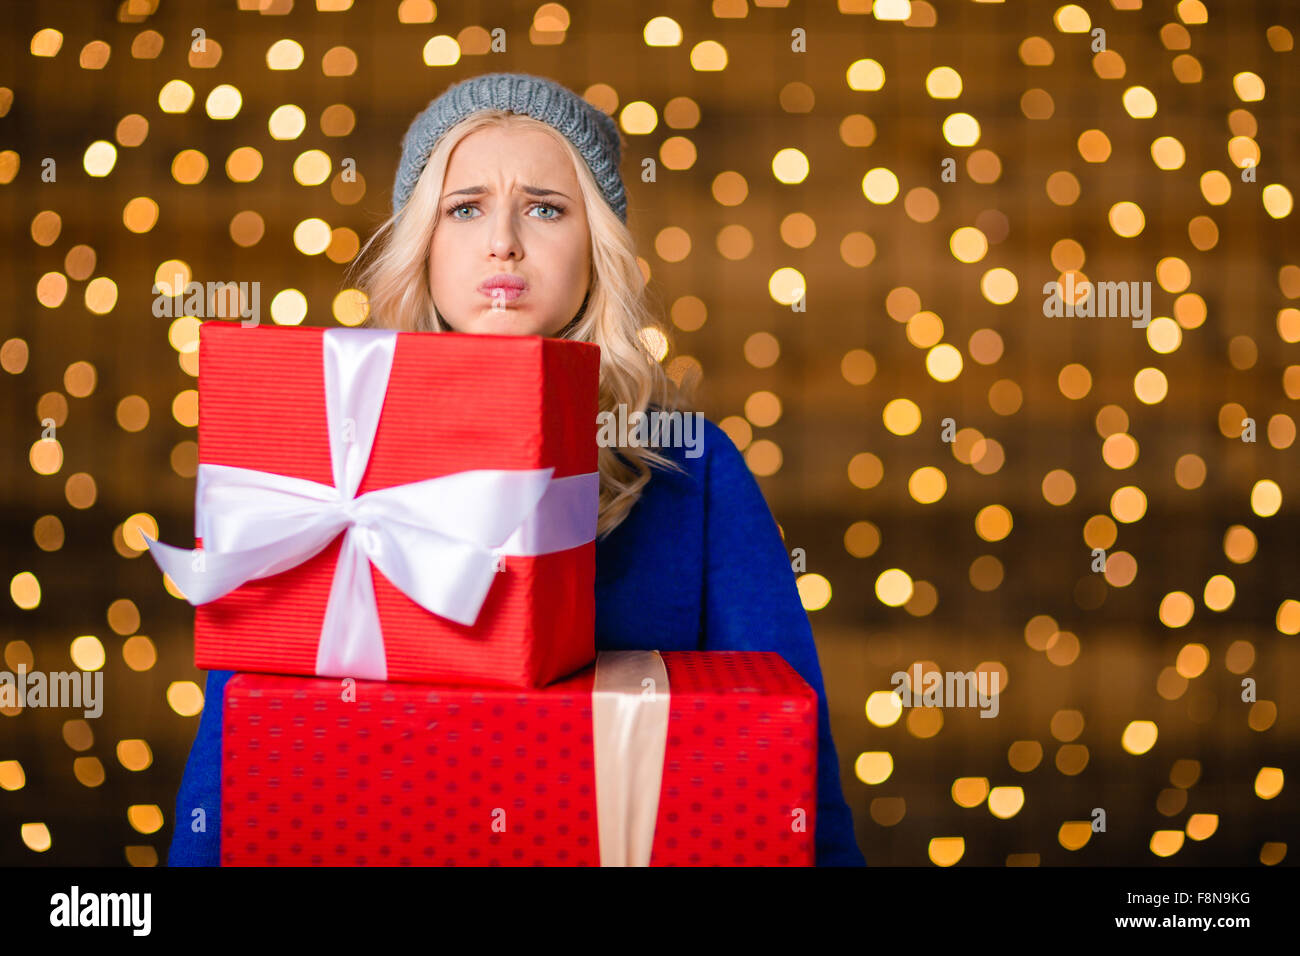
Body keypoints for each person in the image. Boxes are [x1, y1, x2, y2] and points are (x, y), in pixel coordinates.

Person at [168, 71, 865, 867]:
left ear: (596, 248)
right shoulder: (332, 459)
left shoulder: (690, 468)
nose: (503, 240)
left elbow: (794, 764)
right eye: (465, 208)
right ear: (423, 244)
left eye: (545, 207)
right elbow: (232, 766)